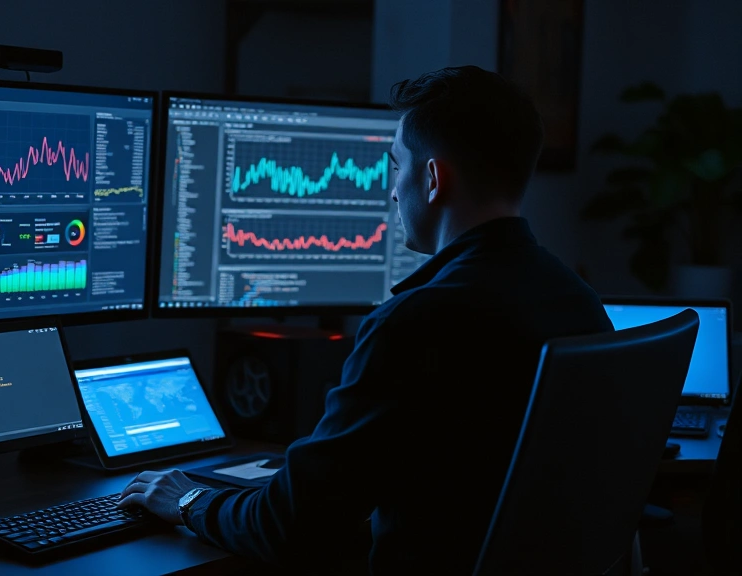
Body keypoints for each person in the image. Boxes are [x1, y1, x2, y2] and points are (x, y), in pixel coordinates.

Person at [117, 66, 615, 574]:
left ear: (433, 178)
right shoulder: (578, 300)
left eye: (396, 165)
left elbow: (289, 527)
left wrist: (186, 501)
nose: (394, 191)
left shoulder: (415, 322)